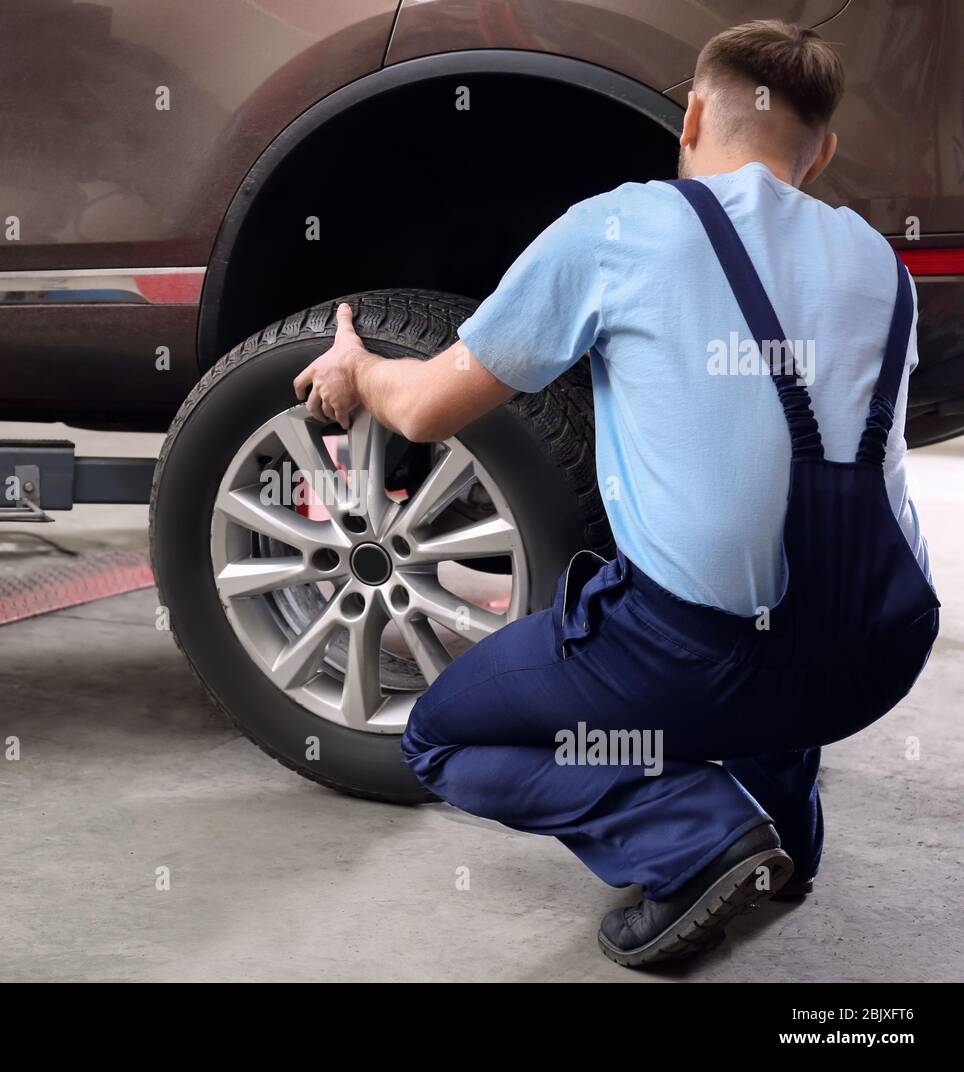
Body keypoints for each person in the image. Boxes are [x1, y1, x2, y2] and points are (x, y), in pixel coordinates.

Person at [292, 20, 939, 967]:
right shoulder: (885, 267)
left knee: (443, 738)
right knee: (785, 602)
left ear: (690, 116)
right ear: (823, 151)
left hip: (698, 658)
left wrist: (360, 368)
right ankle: (784, 844)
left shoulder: (622, 226)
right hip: (880, 652)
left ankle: (698, 834)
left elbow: (428, 408)